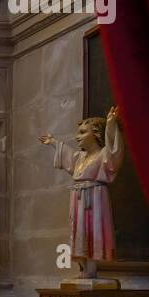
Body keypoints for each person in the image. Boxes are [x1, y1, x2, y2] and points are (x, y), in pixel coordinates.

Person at [40, 105, 125, 278]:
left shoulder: (104, 154)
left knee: (93, 232)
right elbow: (69, 156)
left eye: (83, 132)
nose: (77, 137)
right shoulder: (81, 157)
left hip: (95, 197)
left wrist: (110, 124)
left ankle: (91, 270)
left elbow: (114, 150)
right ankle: (83, 268)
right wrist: (54, 143)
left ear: (97, 134)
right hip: (78, 198)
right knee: (79, 232)